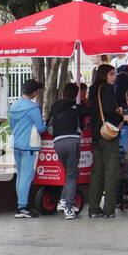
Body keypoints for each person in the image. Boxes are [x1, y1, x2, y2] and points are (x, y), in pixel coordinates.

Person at [87, 64, 127, 218]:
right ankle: (109, 209)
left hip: (96, 134)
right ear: (104, 75)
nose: (114, 77)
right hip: (108, 134)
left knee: (97, 172)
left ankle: (94, 208)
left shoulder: (93, 89)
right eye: (111, 74)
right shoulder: (107, 89)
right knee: (111, 171)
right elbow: (110, 109)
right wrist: (122, 116)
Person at [9, 79, 47, 219]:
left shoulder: (14, 106)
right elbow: (41, 128)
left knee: (20, 176)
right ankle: (22, 207)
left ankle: (20, 205)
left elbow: (12, 126)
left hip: (17, 144)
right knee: (26, 177)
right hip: (29, 146)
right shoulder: (33, 108)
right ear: (34, 92)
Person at [48, 83, 83, 219]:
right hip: (72, 141)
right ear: (76, 95)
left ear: (63, 93)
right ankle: (68, 207)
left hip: (58, 143)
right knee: (72, 175)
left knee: (69, 174)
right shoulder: (77, 108)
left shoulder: (55, 106)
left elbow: (48, 123)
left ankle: (63, 200)